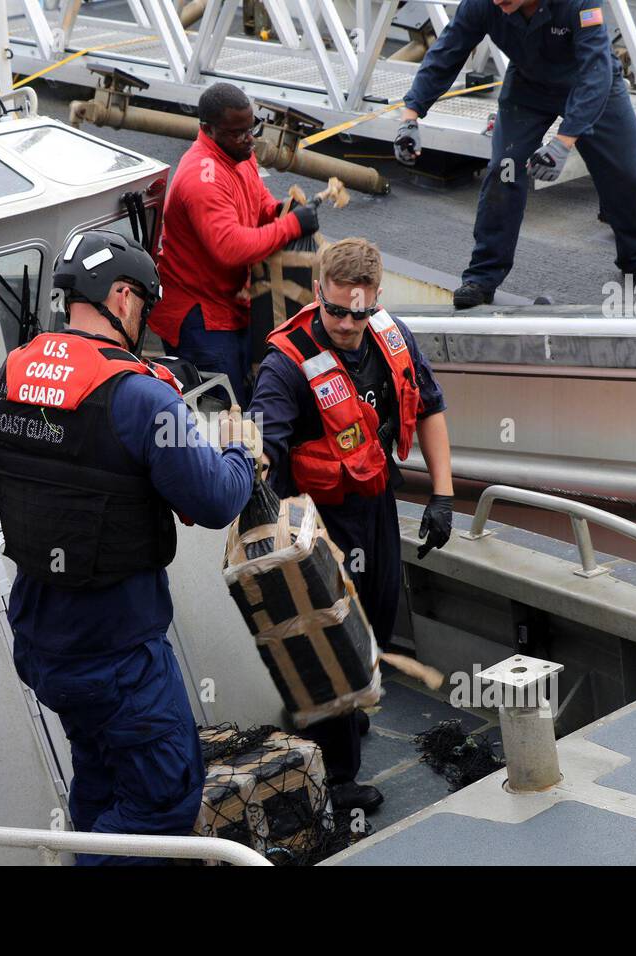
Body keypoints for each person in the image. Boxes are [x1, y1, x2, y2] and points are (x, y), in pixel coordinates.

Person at [0, 230, 262, 864]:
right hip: (120, 651)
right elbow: (213, 502)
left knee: (98, 776)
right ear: (123, 297)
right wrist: (241, 452)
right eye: (143, 306)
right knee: (162, 800)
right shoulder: (142, 396)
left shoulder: (2, 383)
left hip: (45, 647)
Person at [248, 237, 455, 812]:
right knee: (332, 642)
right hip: (317, 524)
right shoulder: (285, 365)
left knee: (377, 628)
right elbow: (264, 445)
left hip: (376, 505)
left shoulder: (390, 336)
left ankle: (345, 720)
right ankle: (338, 780)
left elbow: (430, 404)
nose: (345, 323)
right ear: (318, 295)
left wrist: (442, 495)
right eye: (335, 310)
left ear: (375, 301)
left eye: (357, 312)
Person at [394, 0, 636, 308]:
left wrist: (563, 142)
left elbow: (596, 73)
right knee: (504, 171)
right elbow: (449, 50)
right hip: (529, 89)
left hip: (591, 83)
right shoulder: (486, 3)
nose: (499, 2)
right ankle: (482, 277)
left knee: (625, 173)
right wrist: (410, 117)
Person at [150, 82, 320, 404]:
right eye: (236, 132)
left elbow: (258, 202)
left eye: (251, 128)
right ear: (208, 130)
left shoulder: (240, 155)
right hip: (200, 319)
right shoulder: (203, 178)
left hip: (230, 306)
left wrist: (280, 210)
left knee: (243, 399)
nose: (248, 138)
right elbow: (230, 247)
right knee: (224, 411)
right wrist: (292, 225)